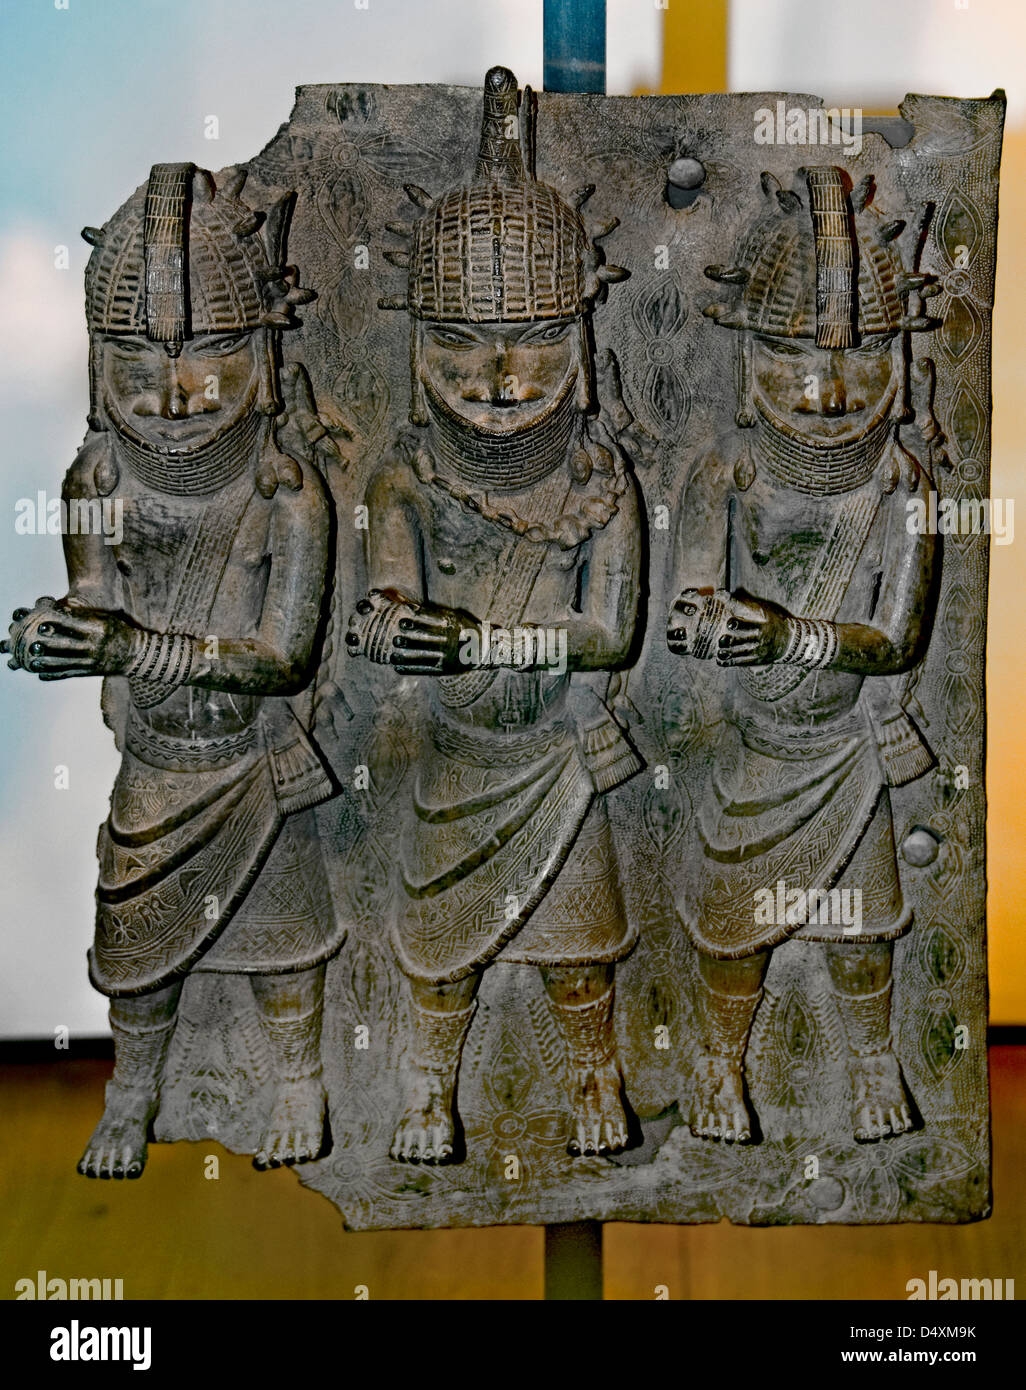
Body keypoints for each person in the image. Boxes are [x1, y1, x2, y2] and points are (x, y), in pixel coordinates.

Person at [5, 163, 344, 1176]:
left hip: (254, 758)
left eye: (214, 354)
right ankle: (134, 1087)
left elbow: (283, 657)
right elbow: (99, 609)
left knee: (284, 940)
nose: (176, 393)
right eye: (141, 362)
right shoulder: (98, 479)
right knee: (137, 952)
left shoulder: (288, 493)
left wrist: (126, 647)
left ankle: (299, 1074)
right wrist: (60, 635)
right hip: (158, 755)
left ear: (266, 358)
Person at [346, 68, 647, 1163]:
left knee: (577, 945)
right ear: (416, 339)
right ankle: (428, 1087)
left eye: (531, 339)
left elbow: (608, 635)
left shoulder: (601, 480)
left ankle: (596, 1072)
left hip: (558, 755)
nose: (501, 377)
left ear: (580, 335)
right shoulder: (408, 479)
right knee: (440, 954)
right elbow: (381, 599)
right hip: (459, 753)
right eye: (463, 344)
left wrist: (477, 640)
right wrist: (391, 626)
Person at [667, 165, 942, 1144]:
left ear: (899, 365)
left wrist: (794, 635)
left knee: (862, 933)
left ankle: (873, 1062)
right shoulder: (728, 468)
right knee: (732, 935)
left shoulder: (903, 485)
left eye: (861, 360)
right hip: (753, 741)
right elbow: (687, 598)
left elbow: (900, 638)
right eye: (794, 361)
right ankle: (716, 1063)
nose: (826, 392)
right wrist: (710, 620)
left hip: (845, 747)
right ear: (750, 362)